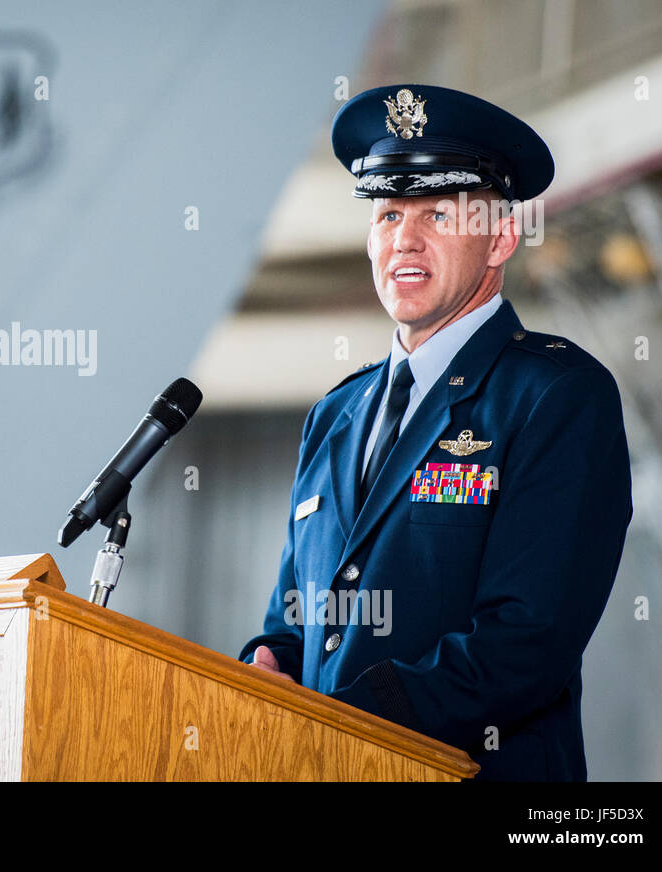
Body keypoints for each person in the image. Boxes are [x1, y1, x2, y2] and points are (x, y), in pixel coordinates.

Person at [238, 84, 633, 781]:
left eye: (437, 214)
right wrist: (263, 669)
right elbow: (298, 620)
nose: (405, 240)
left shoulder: (557, 397)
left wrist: (341, 724)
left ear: (501, 236)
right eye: (388, 214)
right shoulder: (336, 413)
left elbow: (524, 646)